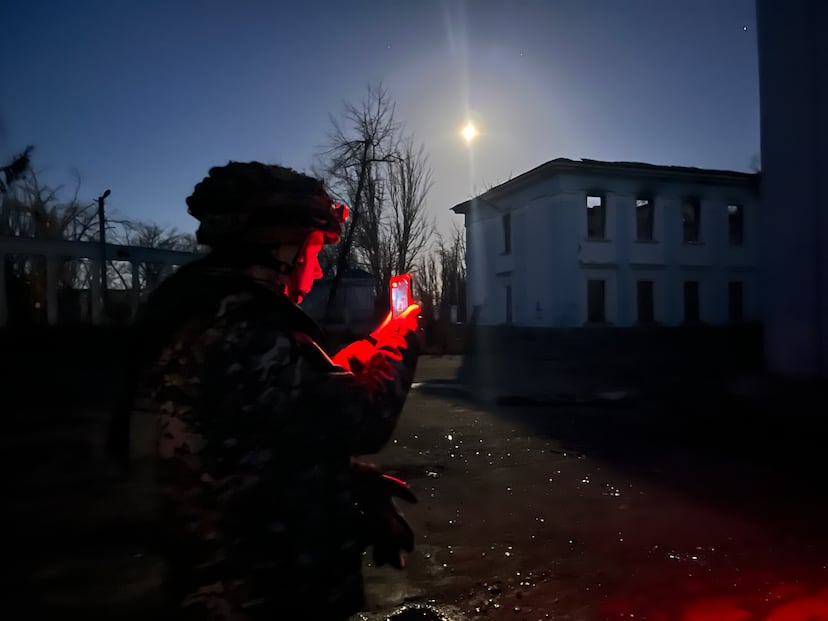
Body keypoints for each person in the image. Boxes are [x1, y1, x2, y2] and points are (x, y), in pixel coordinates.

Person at [129, 162, 421, 620]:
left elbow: (287, 418)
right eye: (314, 247)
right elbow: (361, 417)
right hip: (254, 594)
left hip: (257, 579)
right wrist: (402, 339)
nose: (317, 262)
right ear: (281, 247)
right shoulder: (240, 325)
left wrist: (349, 482)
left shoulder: (225, 312)